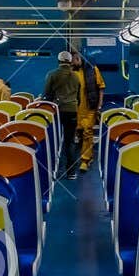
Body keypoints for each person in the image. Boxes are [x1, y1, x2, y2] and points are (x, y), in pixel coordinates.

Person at [42, 49, 83, 179]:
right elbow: (79, 96)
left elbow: (47, 95)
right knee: (70, 141)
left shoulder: (52, 75)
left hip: (57, 110)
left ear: (58, 61)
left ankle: (54, 171)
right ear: (70, 61)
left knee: (53, 140)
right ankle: (71, 172)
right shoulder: (76, 76)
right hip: (72, 110)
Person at [74, 52, 105, 172]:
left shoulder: (93, 69)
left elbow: (101, 87)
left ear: (79, 59)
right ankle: (88, 155)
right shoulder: (72, 72)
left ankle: (85, 160)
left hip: (90, 107)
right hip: (76, 109)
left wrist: (100, 104)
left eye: (74, 60)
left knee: (88, 131)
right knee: (79, 132)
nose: (72, 63)